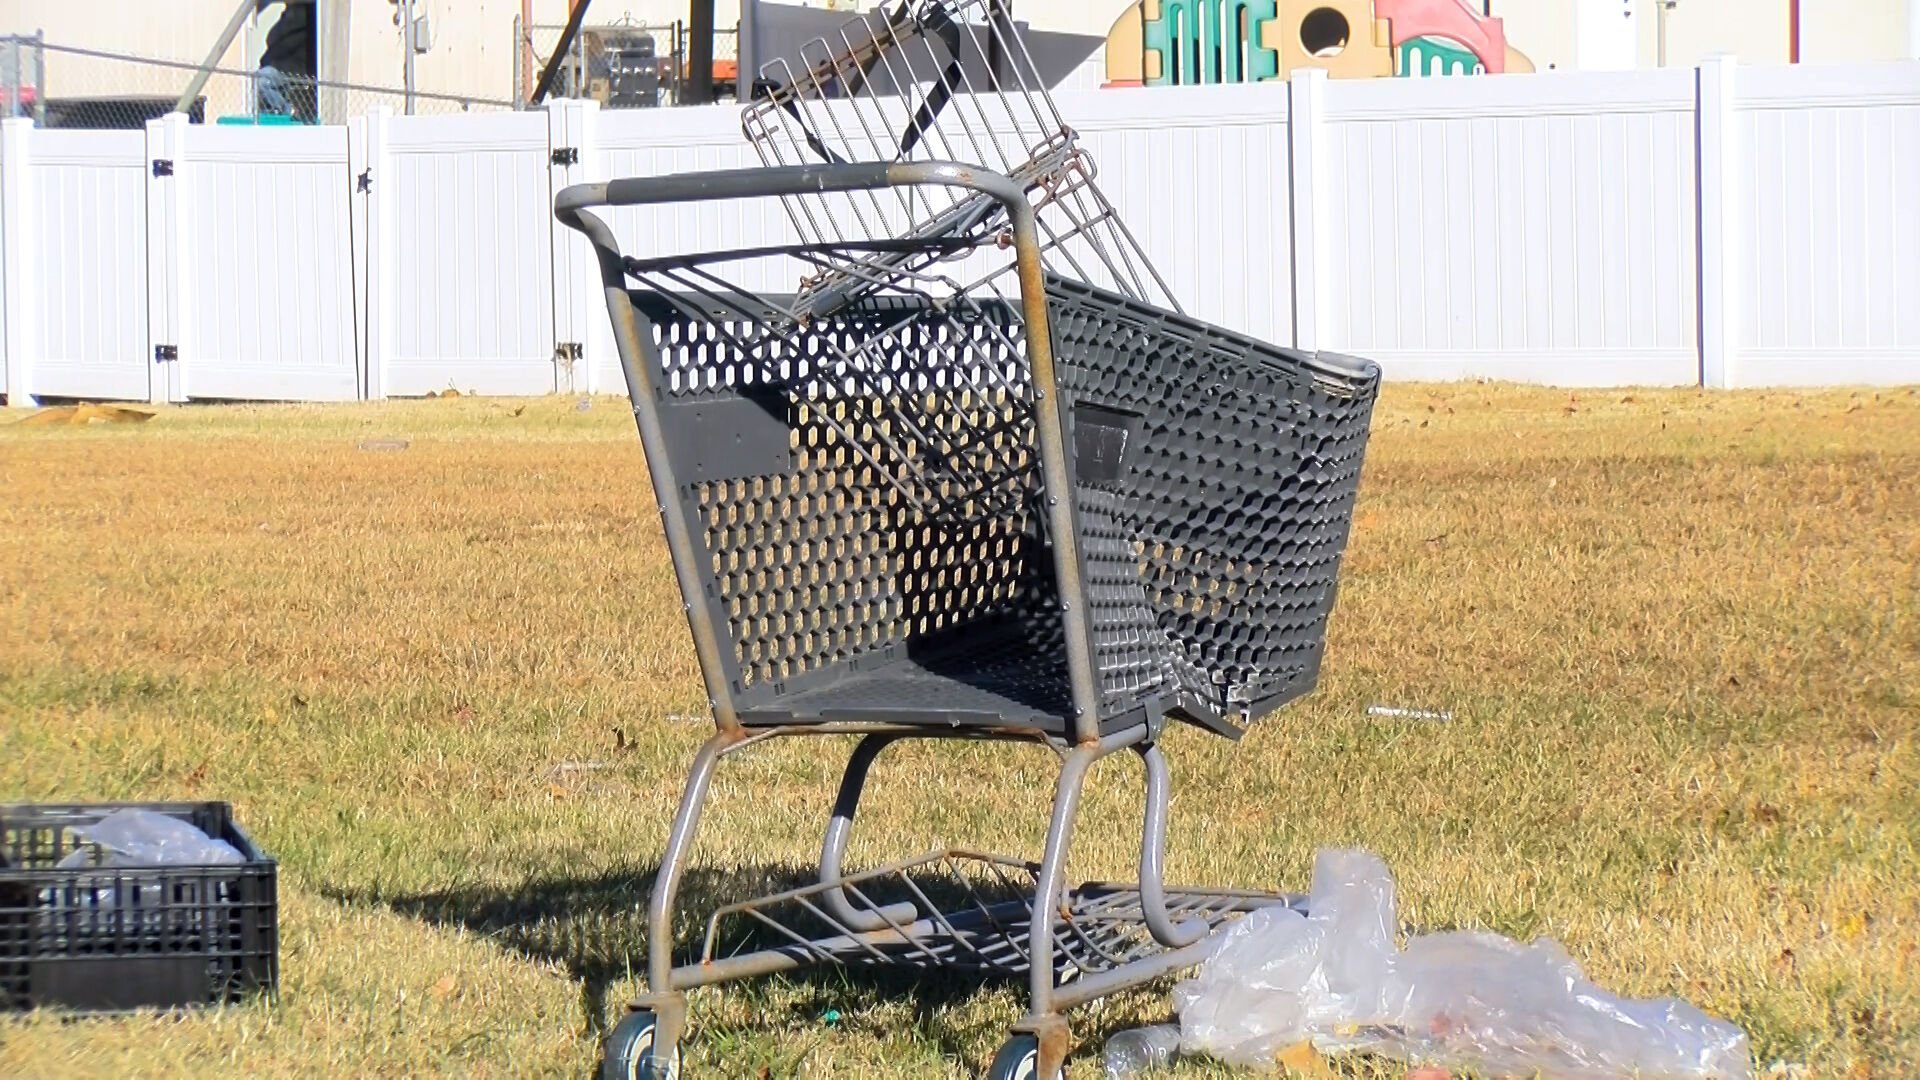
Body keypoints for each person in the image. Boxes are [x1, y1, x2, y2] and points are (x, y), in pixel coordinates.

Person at [255, 0, 317, 122]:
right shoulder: (290, 15)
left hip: (292, 69)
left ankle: (290, 111)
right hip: (279, 67)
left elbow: (283, 43)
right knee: (259, 80)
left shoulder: (302, 16)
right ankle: (273, 112)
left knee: (261, 81)